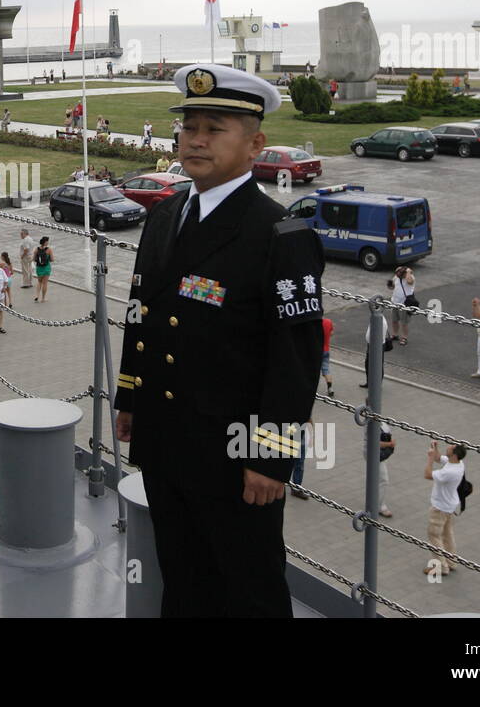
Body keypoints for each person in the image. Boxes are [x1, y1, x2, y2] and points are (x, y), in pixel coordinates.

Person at [112, 63, 324, 617]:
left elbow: (296, 359)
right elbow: (143, 314)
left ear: (255, 143)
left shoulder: (280, 235)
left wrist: (271, 458)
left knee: (250, 588)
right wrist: (129, 399)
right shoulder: (164, 217)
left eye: (214, 128)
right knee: (180, 574)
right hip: (165, 439)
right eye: (189, 127)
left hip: (234, 456)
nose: (196, 140)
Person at [423, 442, 466, 577]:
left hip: (440, 507)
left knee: (434, 535)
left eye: (451, 448)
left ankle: (441, 567)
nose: (448, 446)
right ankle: (451, 561)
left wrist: (429, 458)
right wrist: (435, 449)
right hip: (449, 505)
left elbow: (428, 474)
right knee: (447, 534)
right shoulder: (458, 463)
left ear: (454, 454)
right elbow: (439, 458)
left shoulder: (449, 472)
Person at [390, 266, 416, 344]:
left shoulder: (411, 277)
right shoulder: (396, 277)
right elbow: (392, 287)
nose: (398, 274)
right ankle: (395, 335)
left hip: (404, 304)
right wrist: (390, 285)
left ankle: (404, 338)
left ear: (405, 273)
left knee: (404, 322)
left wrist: (408, 271)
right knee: (394, 320)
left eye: (400, 273)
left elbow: (409, 281)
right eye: (397, 272)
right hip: (394, 302)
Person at [33, 235, 53, 302]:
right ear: (45, 242)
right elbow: (52, 259)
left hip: (39, 268)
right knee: (45, 283)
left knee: (39, 282)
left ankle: (37, 295)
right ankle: (43, 298)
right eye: (47, 241)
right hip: (46, 267)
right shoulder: (49, 249)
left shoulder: (36, 249)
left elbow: (34, 259)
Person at [321, 316, 334, 397]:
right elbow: (331, 333)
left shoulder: (315, 324)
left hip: (316, 350)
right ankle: (330, 388)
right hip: (326, 350)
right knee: (326, 369)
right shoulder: (328, 321)